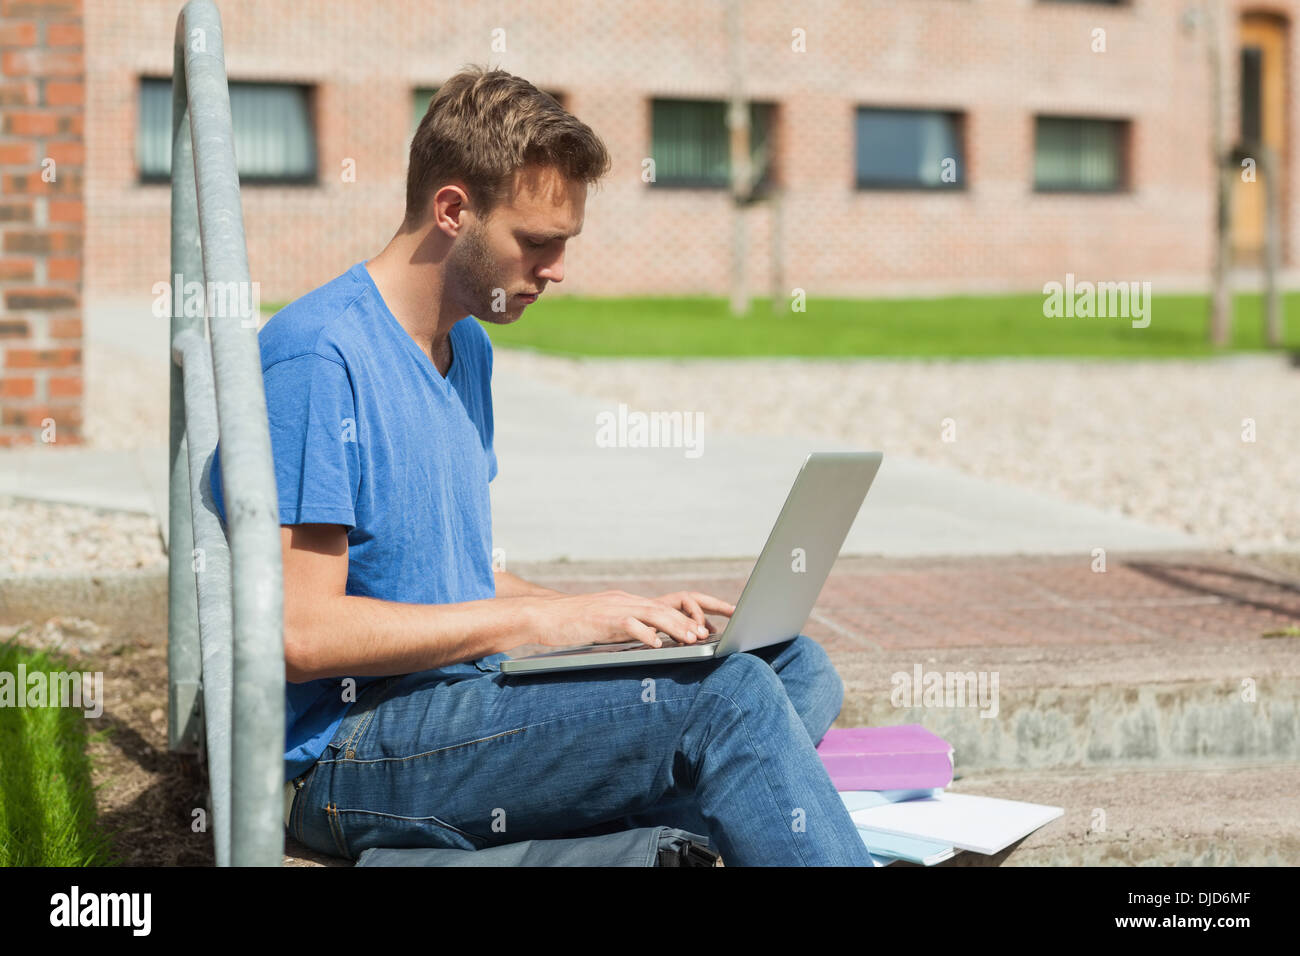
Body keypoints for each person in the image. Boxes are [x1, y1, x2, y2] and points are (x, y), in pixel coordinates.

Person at [211, 64, 872, 866]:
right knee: (729, 705)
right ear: (453, 210)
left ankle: (658, 828)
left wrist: (620, 618)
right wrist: (541, 624)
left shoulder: (468, 349)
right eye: (537, 242)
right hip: (347, 755)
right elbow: (301, 633)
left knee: (790, 666)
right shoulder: (320, 358)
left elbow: (450, 576)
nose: (556, 269)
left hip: (460, 704)